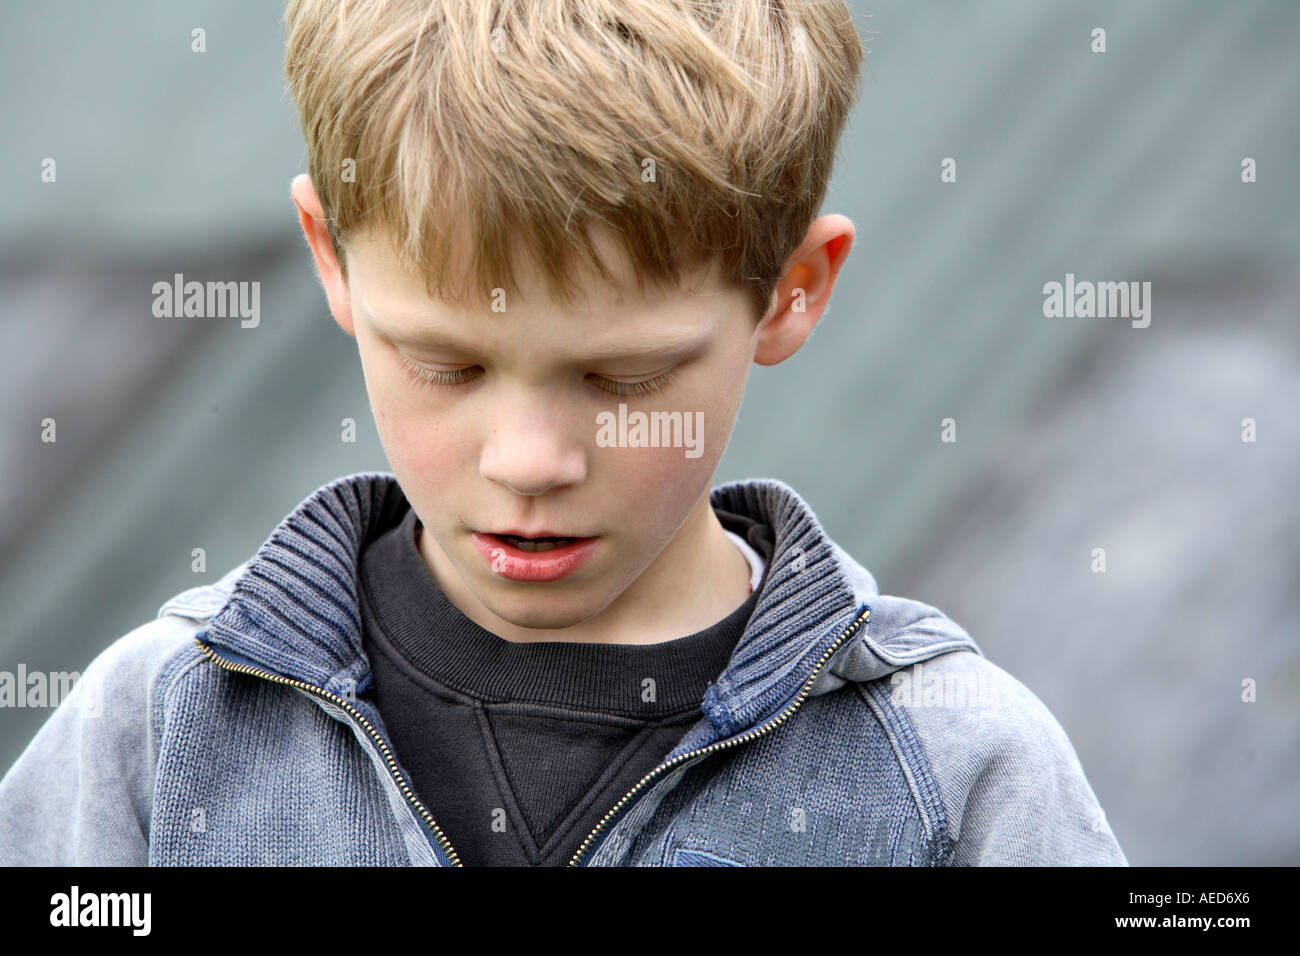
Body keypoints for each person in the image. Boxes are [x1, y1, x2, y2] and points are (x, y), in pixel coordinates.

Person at [0, 0, 1126, 866]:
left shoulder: (959, 763)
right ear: (329, 255)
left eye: (624, 376)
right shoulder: (154, 727)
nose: (531, 460)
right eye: (446, 364)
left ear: (790, 290)